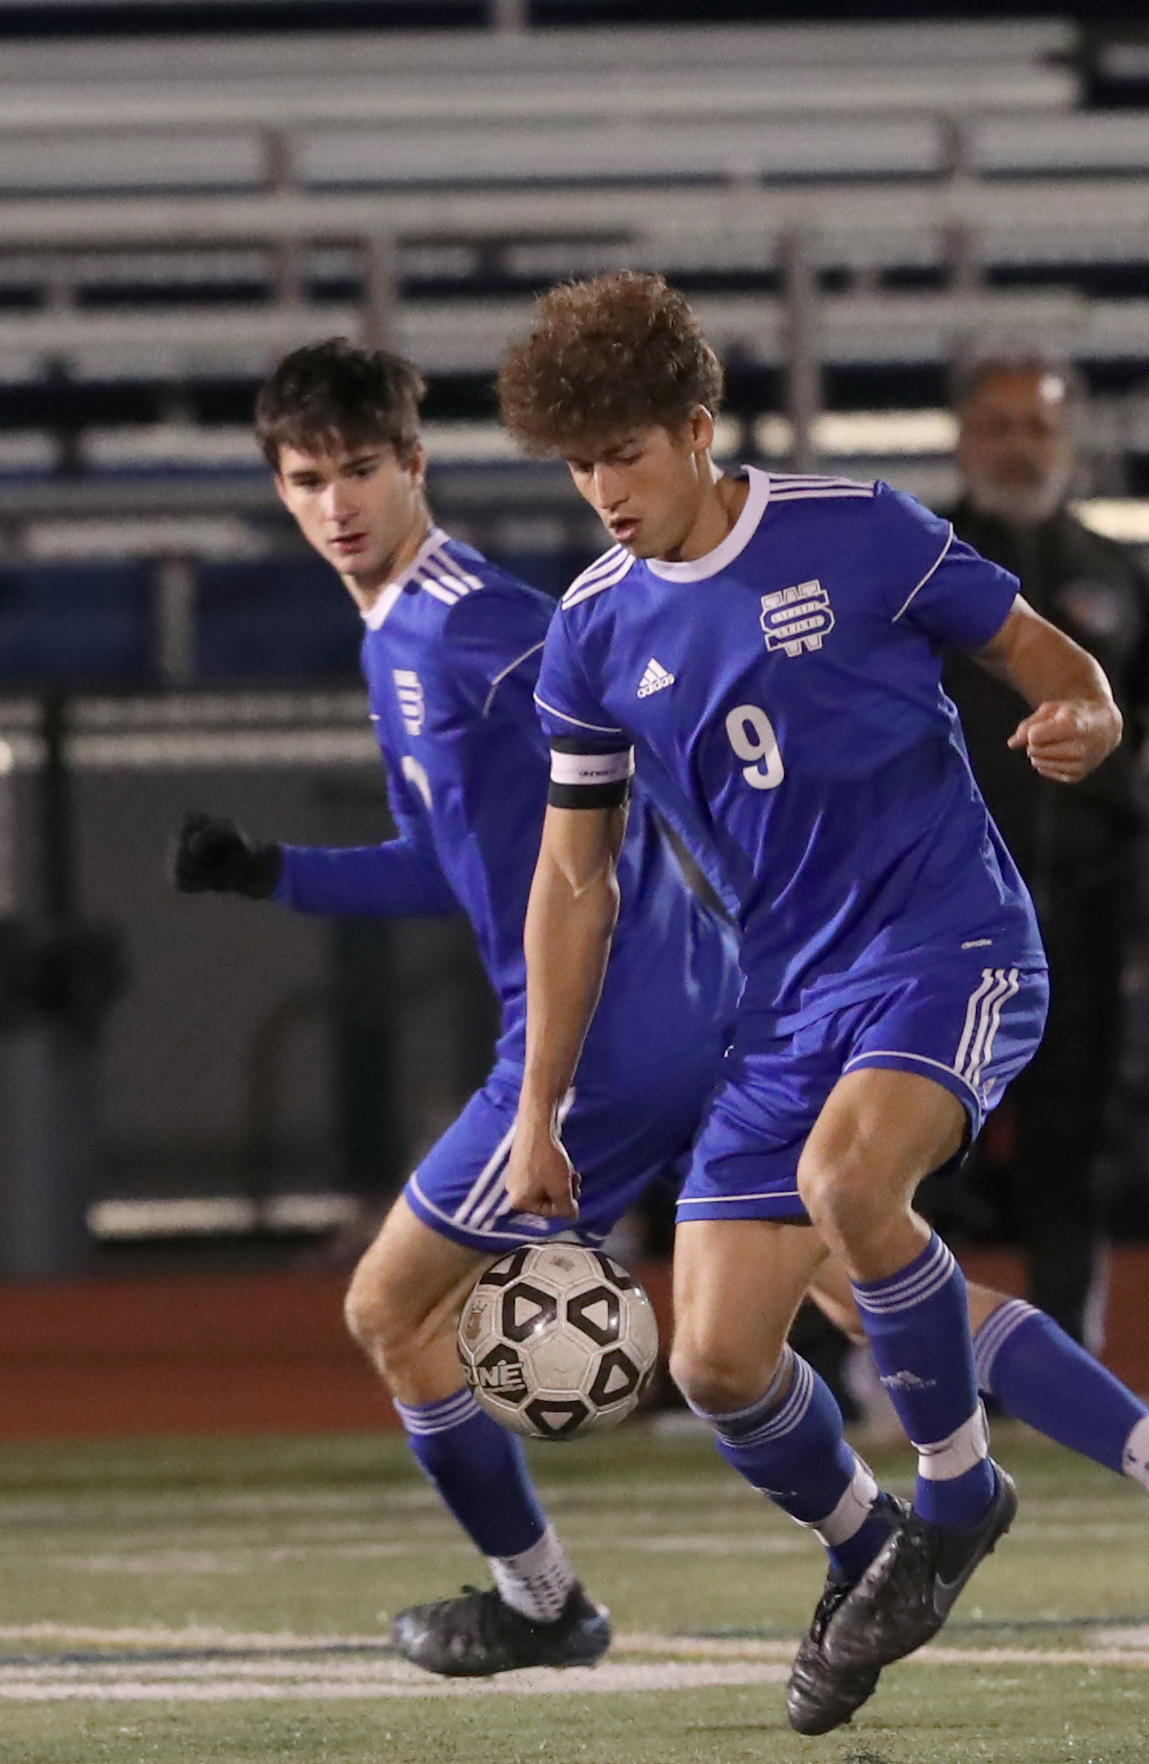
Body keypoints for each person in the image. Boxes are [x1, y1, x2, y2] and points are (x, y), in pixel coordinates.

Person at [498, 272, 1149, 1734]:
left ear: (697, 427)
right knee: (719, 1356)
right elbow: (572, 880)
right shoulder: (591, 631)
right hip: (787, 1005)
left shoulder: (855, 527)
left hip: (948, 946)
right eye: (577, 463)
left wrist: (1087, 714)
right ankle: (1142, 1491)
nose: (602, 489)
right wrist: (537, 1104)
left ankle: (951, 1501)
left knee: (852, 1189)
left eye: (624, 452)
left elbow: (1055, 660)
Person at [171, 337, 739, 1676]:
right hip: (677, 1014)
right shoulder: (402, 639)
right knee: (829, 1278)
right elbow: (446, 863)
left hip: (596, 1042)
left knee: (392, 1310)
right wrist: (272, 871)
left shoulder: (470, 625)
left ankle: (544, 1600)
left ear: (415, 464)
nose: (338, 504)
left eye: (362, 469)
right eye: (307, 480)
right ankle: (1125, 1475)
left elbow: (642, 716)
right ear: (280, 490)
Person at [937, 354, 1149, 1349]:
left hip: (1079, 901)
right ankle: (902, 1356)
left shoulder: (1116, 573)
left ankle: (1066, 1349)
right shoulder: (912, 566)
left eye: (1038, 426)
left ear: (1069, 441)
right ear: (963, 439)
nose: (1019, 447)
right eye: (999, 425)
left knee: (1074, 1130)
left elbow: (1140, 720)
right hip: (938, 906)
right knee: (916, 1135)